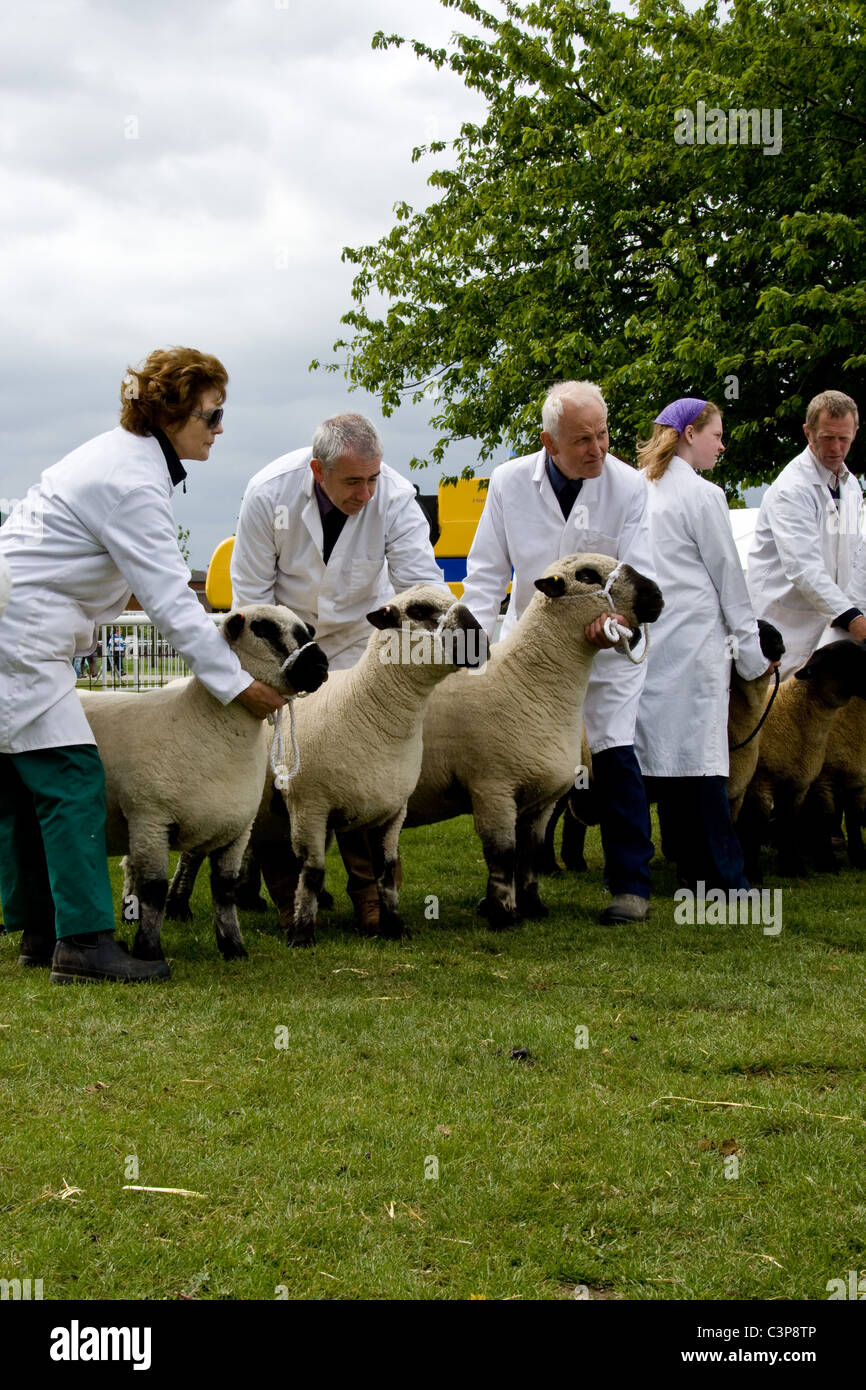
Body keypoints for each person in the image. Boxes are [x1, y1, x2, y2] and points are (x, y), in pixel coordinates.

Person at [0, 347, 286, 985]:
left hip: (20, 630)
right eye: (211, 417)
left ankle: (40, 929)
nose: (220, 429)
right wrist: (241, 684)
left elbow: (123, 577)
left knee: (23, 786)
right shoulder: (132, 482)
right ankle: (82, 946)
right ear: (170, 413)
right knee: (73, 781)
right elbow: (168, 605)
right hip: (18, 639)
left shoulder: (118, 459)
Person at [230, 411, 448, 931]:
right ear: (316, 469)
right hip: (286, 650)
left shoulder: (395, 497)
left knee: (363, 772)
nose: (366, 492)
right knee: (277, 774)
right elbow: (252, 599)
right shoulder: (267, 493)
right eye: (353, 481)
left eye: (373, 477)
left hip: (357, 647)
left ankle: (371, 896)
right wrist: (267, 674)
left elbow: (422, 585)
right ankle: (290, 893)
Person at [459, 379, 656, 924]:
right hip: (532, 663)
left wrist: (615, 624)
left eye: (604, 434)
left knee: (613, 754)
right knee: (516, 765)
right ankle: (515, 882)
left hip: (605, 651)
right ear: (549, 442)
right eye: (582, 440)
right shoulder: (508, 483)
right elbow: (485, 575)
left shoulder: (631, 488)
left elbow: (639, 573)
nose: (598, 449)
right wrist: (473, 648)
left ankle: (630, 887)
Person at [632, 398, 777, 890]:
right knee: (703, 765)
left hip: (653, 647)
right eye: (716, 434)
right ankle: (724, 879)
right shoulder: (702, 496)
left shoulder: (640, 489)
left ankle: (688, 867)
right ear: (690, 434)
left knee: (667, 762)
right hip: (694, 649)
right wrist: (753, 657)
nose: (722, 443)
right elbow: (730, 582)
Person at [747, 391, 864, 679]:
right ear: (807, 432)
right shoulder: (792, 489)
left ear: (855, 433)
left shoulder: (851, 487)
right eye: (827, 437)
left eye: (844, 439)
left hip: (832, 628)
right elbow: (803, 568)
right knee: (776, 715)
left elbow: (856, 558)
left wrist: (858, 613)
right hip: (786, 624)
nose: (836, 448)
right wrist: (853, 619)